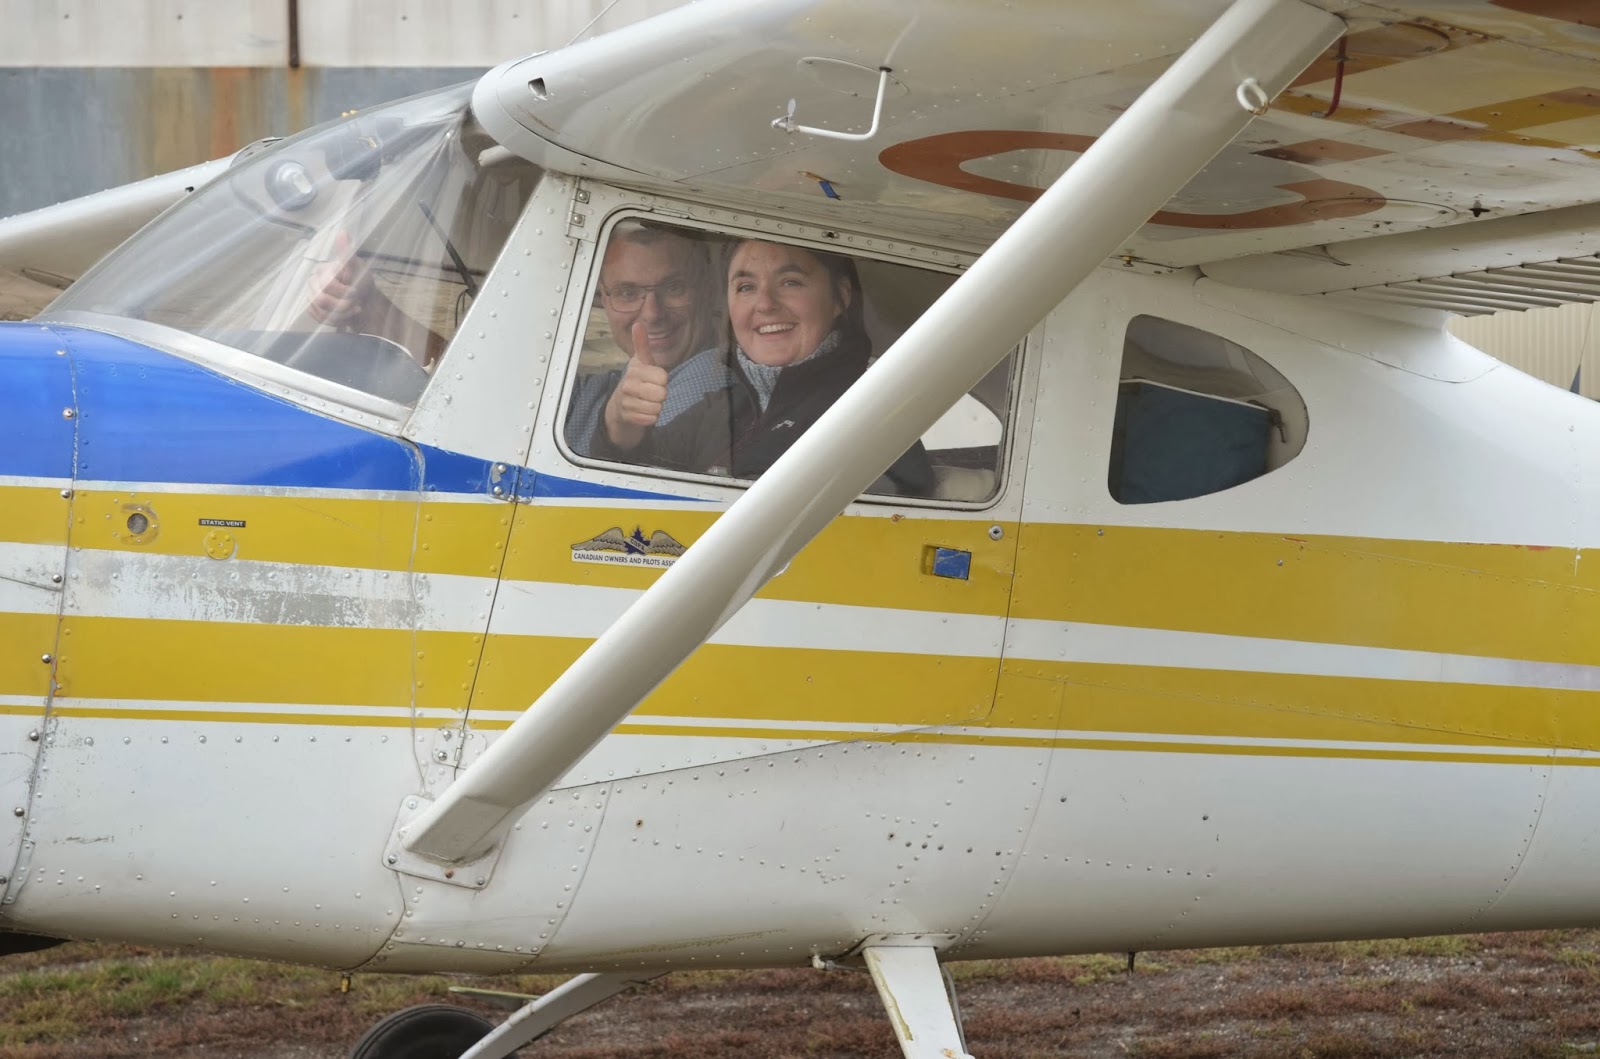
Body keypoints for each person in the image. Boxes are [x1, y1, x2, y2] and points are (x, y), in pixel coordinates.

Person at [592, 238, 934, 495]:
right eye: (746, 287)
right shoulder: (723, 406)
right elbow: (630, 485)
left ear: (840, 298)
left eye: (790, 282)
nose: (765, 304)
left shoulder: (871, 417)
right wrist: (620, 425)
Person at [564, 223, 729, 453]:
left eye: (674, 288)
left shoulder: (711, 386)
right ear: (603, 297)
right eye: (628, 293)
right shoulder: (597, 389)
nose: (652, 314)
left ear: (708, 288)